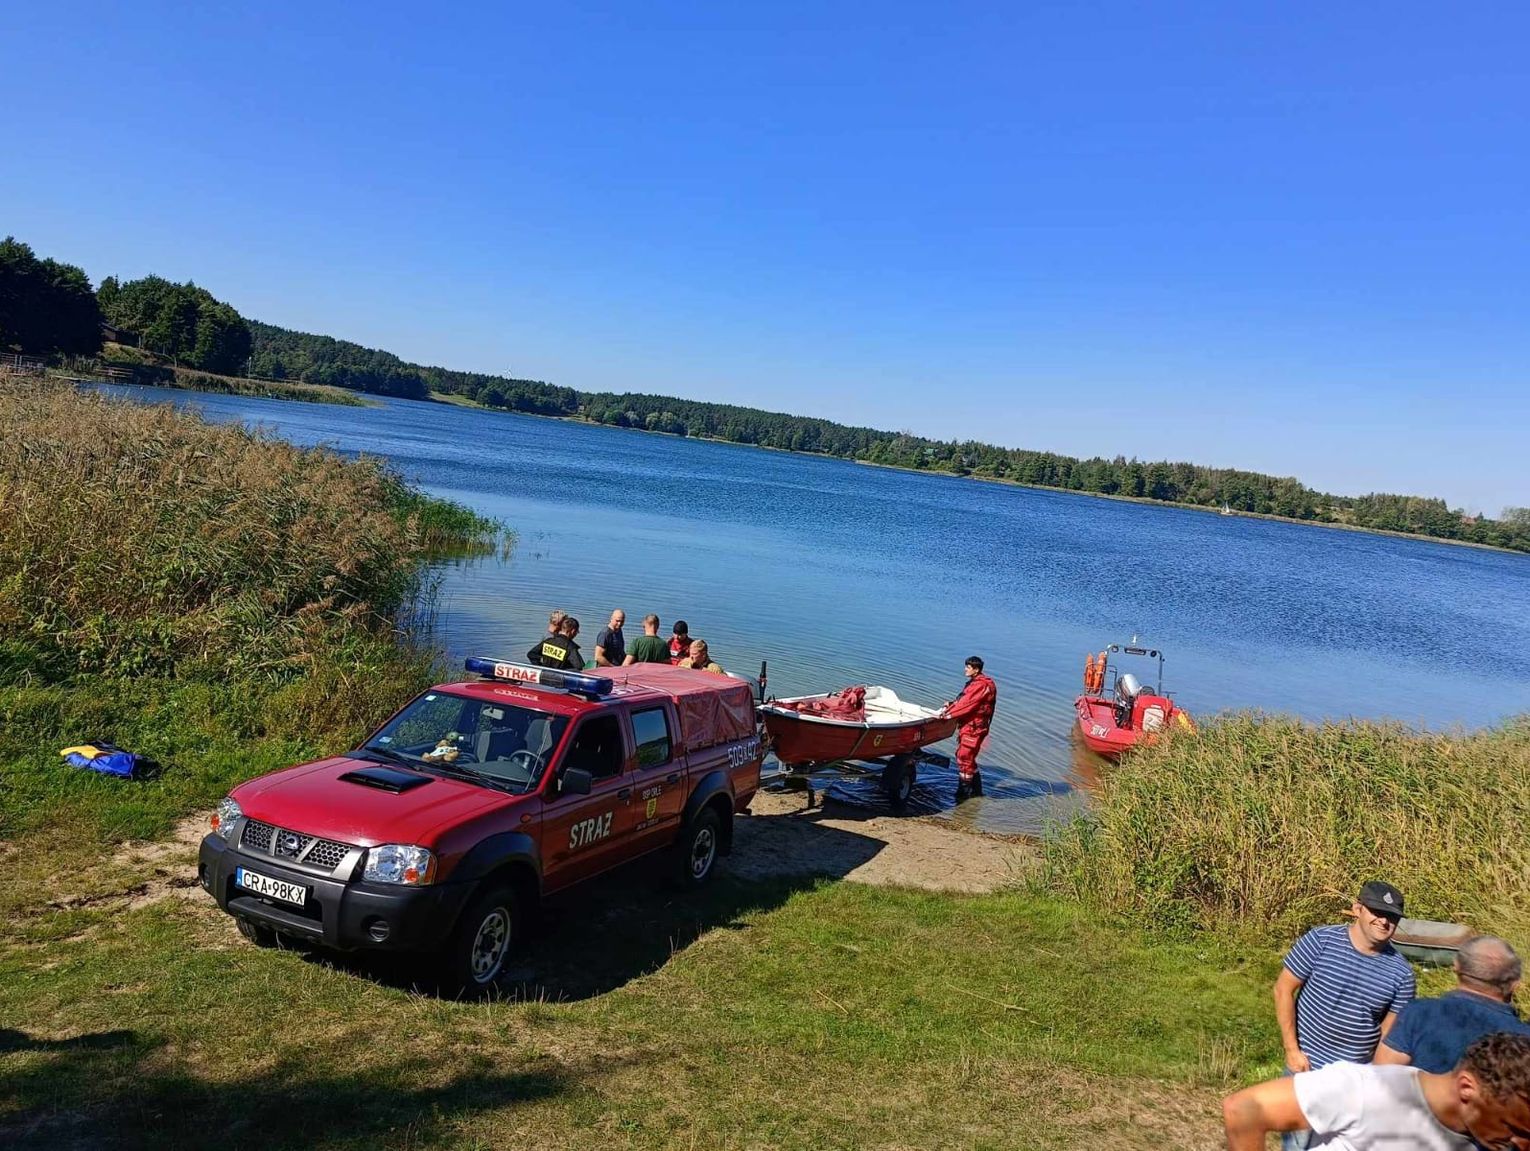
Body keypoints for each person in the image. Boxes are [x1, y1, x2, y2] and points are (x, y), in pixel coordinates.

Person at [1222, 1031, 1530, 1151]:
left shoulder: (1483, 1142)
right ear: (1467, 1088)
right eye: (1514, 1128)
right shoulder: (1368, 1090)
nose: (1522, 1145)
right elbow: (1246, 1108)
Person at [1377, 936, 1530, 1073]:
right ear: (1514, 985)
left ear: (1456, 967)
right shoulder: (1524, 1038)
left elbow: (1383, 1076)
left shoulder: (1420, 1013)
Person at [940, 656, 996, 800]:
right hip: (972, 726)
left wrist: (946, 715)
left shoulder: (980, 685)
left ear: (976, 670)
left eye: (968, 667)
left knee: (964, 758)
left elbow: (967, 705)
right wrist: (952, 704)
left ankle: (963, 796)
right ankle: (976, 793)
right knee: (967, 758)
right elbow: (964, 701)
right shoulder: (976, 683)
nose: (965, 669)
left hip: (974, 728)